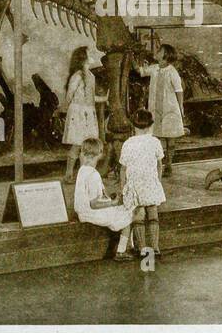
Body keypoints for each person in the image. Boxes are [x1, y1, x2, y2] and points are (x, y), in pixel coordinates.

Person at [72, 137, 134, 261]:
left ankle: (126, 245)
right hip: (91, 213)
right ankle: (122, 251)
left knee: (121, 209)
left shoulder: (82, 170)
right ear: (100, 153)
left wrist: (108, 198)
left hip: (82, 211)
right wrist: (113, 203)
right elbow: (94, 204)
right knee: (129, 213)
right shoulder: (93, 175)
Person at [120, 108, 166, 260]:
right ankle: (155, 248)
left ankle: (142, 249)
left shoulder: (127, 143)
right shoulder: (155, 142)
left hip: (135, 183)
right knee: (153, 214)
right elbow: (159, 164)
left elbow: (123, 168)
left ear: (133, 126)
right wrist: (157, 181)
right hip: (150, 182)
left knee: (138, 215)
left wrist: (123, 186)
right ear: (150, 125)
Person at [143, 44, 185, 177]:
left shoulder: (172, 72)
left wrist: (181, 108)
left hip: (170, 110)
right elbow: (141, 71)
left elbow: (179, 91)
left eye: (160, 51)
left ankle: (169, 165)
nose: (157, 52)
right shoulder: (154, 68)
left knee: (170, 138)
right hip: (156, 109)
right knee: (158, 137)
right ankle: (159, 164)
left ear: (166, 55)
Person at [61, 46, 99, 183]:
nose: (91, 54)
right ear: (83, 58)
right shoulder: (77, 75)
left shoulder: (91, 76)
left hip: (89, 112)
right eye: (89, 53)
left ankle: (84, 174)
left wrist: (104, 99)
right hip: (78, 113)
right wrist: (71, 109)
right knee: (77, 144)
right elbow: (69, 95)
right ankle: (69, 174)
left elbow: (91, 97)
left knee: (88, 144)